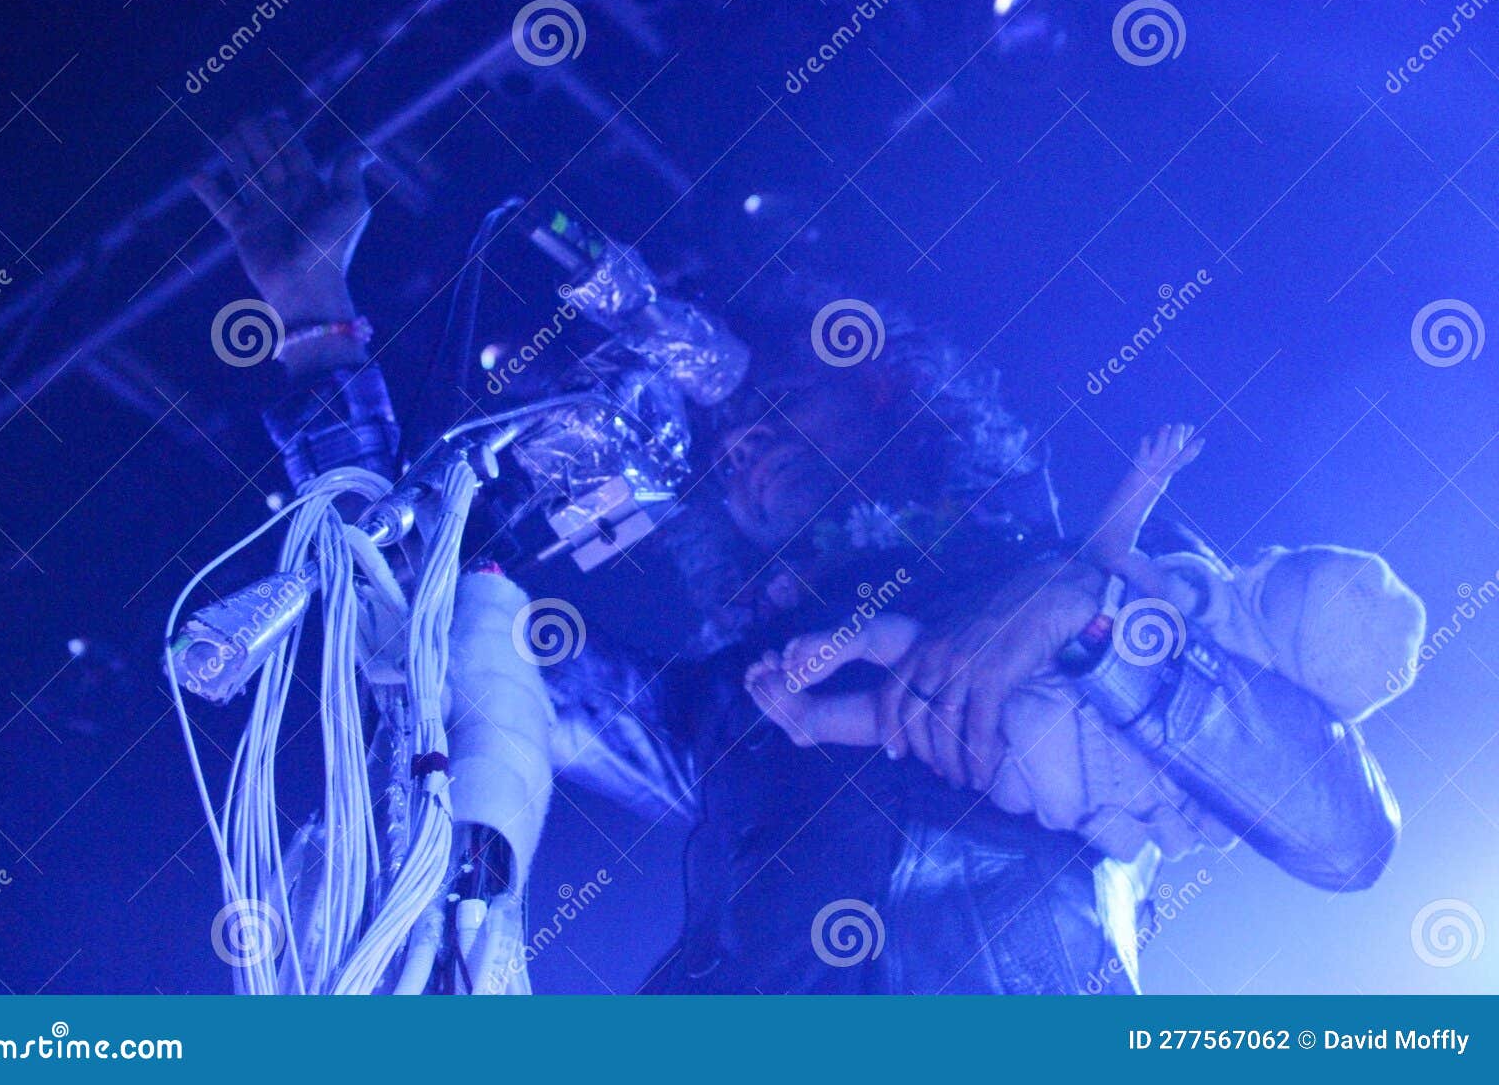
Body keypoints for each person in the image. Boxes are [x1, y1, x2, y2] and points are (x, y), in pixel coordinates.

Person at [191, 117, 1407, 993]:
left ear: (894, 401)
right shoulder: (717, 703)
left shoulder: (1066, 560)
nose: (743, 438)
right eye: (724, 439)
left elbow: (1347, 837)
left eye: (782, 399)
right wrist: (313, 318)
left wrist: (1078, 618)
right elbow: (418, 622)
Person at [744, 425, 1425, 865]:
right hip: (1053, 766)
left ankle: (835, 678)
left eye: (1279, 572)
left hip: (1053, 732)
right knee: (927, 700)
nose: (1264, 557)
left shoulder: (1210, 619)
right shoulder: (1241, 727)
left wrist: (1145, 482)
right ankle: (818, 706)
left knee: (920, 672)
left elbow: (1109, 552)